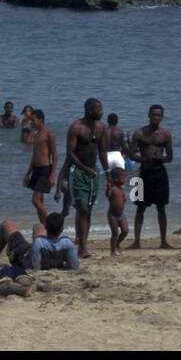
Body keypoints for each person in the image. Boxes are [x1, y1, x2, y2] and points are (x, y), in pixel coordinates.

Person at [65, 98, 106, 257]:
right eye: (98, 109)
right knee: (81, 208)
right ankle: (82, 247)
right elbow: (70, 153)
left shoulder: (102, 128)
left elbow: (102, 152)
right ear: (89, 110)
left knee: (88, 209)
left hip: (93, 173)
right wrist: (84, 168)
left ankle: (83, 243)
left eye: (101, 109)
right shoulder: (76, 128)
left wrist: (107, 172)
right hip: (78, 171)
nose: (101, 112)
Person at [130, 105, 174, 249]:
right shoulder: (139, 133)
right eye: (153, 115)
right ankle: (136, 241)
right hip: (143, 173)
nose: (156, 117)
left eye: (158, 115)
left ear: (162, 117)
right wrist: (144, 159)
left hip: (160, 173)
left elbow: (170, 157)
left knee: (161, 208)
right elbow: (131, 155)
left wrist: (160, 158)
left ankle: (163, 241)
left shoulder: (166, 134)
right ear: (148, 115)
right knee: (140, 208)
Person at [0, 212, 79, 271]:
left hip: (23, 255)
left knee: (6, 224)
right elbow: (74, 267)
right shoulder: (67, 243)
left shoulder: (38, 243)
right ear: (62, 229)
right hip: (44, 253)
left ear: (46, 227)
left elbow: (33, 268)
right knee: (38, 226)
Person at [23, 109, 57, 224]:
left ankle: (52, 225)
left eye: (33, 120)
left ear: (40, 119)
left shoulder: (49, 135)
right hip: (36, 170)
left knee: (35, 200)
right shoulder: (36, 135)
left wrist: (52, 175)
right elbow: (34, 156)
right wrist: (27, 174)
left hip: (45, 170)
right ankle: (44, 228)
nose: (31, 123)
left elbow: (55, 156)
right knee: (40, 202)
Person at [105, 168, 129, 254]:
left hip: (121, 214)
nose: (125, 180)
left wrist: (124, 197)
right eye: (123, 178)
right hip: (112, 215)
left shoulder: (121, 189)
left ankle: (118, 243)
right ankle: (113, 250)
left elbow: (123, 199)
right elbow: (108, 195)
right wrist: (108, 188)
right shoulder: (113, 188)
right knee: (115, 233)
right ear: (116, 179)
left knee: (125, 231)